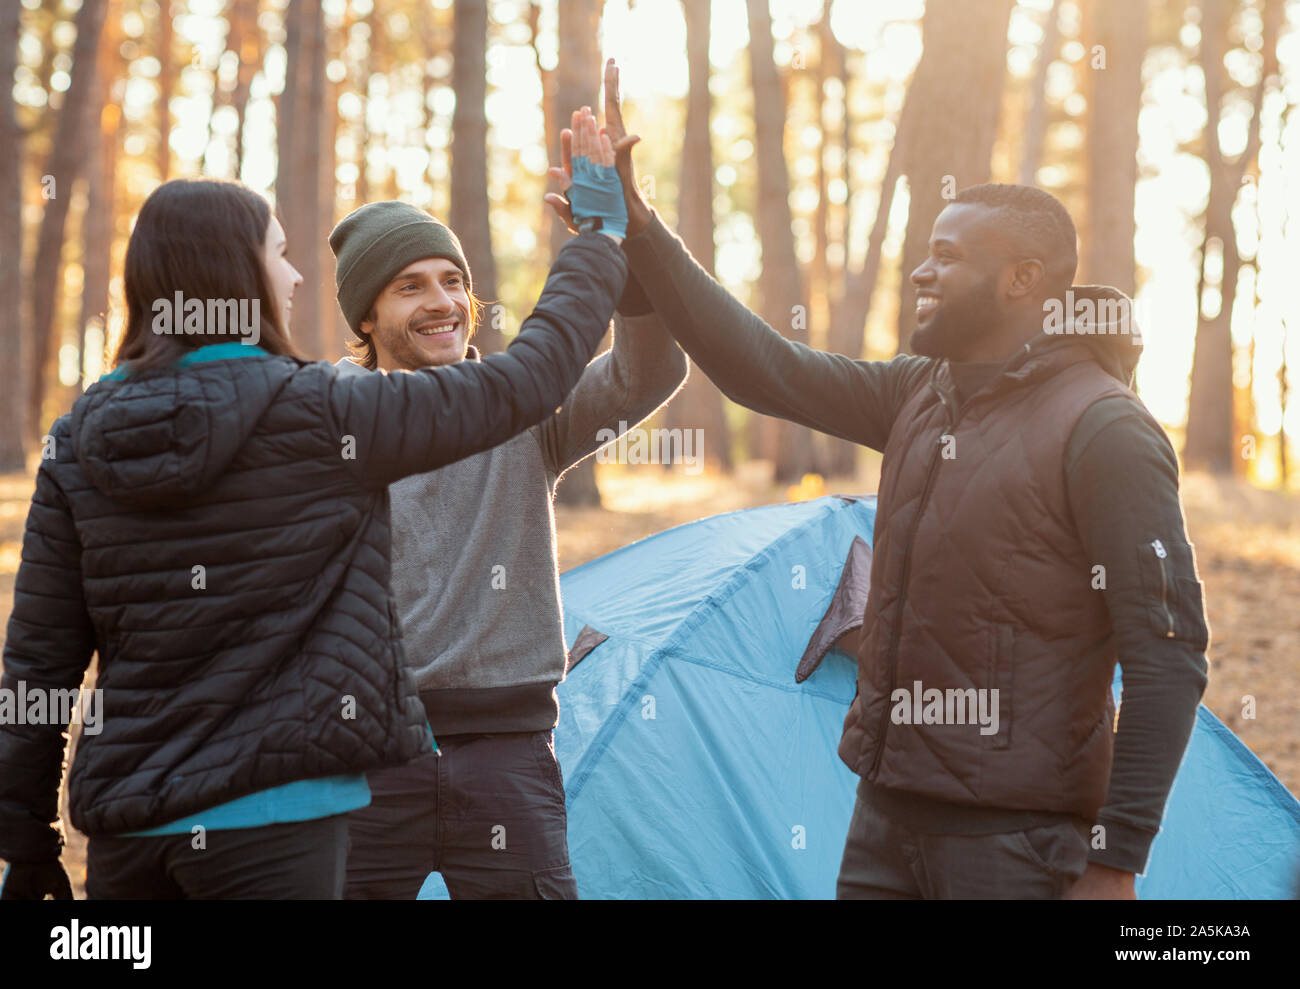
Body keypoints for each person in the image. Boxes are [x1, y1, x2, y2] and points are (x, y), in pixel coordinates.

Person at [569, 60, 1210, 899]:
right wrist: (641, 228)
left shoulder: (1104, 429)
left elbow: (1169, 654)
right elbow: (763, 368)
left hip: (1015, 849)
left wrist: (1117, 855)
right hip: (882, 823)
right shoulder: (920, 392)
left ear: (1023, 280)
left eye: (947, 256)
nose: (921, 272)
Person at [0, 171, 628, 899]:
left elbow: (38, 663)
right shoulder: (326, 412)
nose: (296, 277)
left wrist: (26, 839)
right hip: (280, 825)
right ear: (239, 275)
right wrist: (601, 238)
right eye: (280, 254)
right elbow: (529, 378)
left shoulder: (78, 438)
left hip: (134, 828)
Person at [337, 109, 686, 899]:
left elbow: (647, 375)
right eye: (410, 286)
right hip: (364, 762)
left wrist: (627, 241)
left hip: (507, 758)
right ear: (365, 316)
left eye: (454, 281)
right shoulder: (330, 413)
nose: (443, 302)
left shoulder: (520, 404)